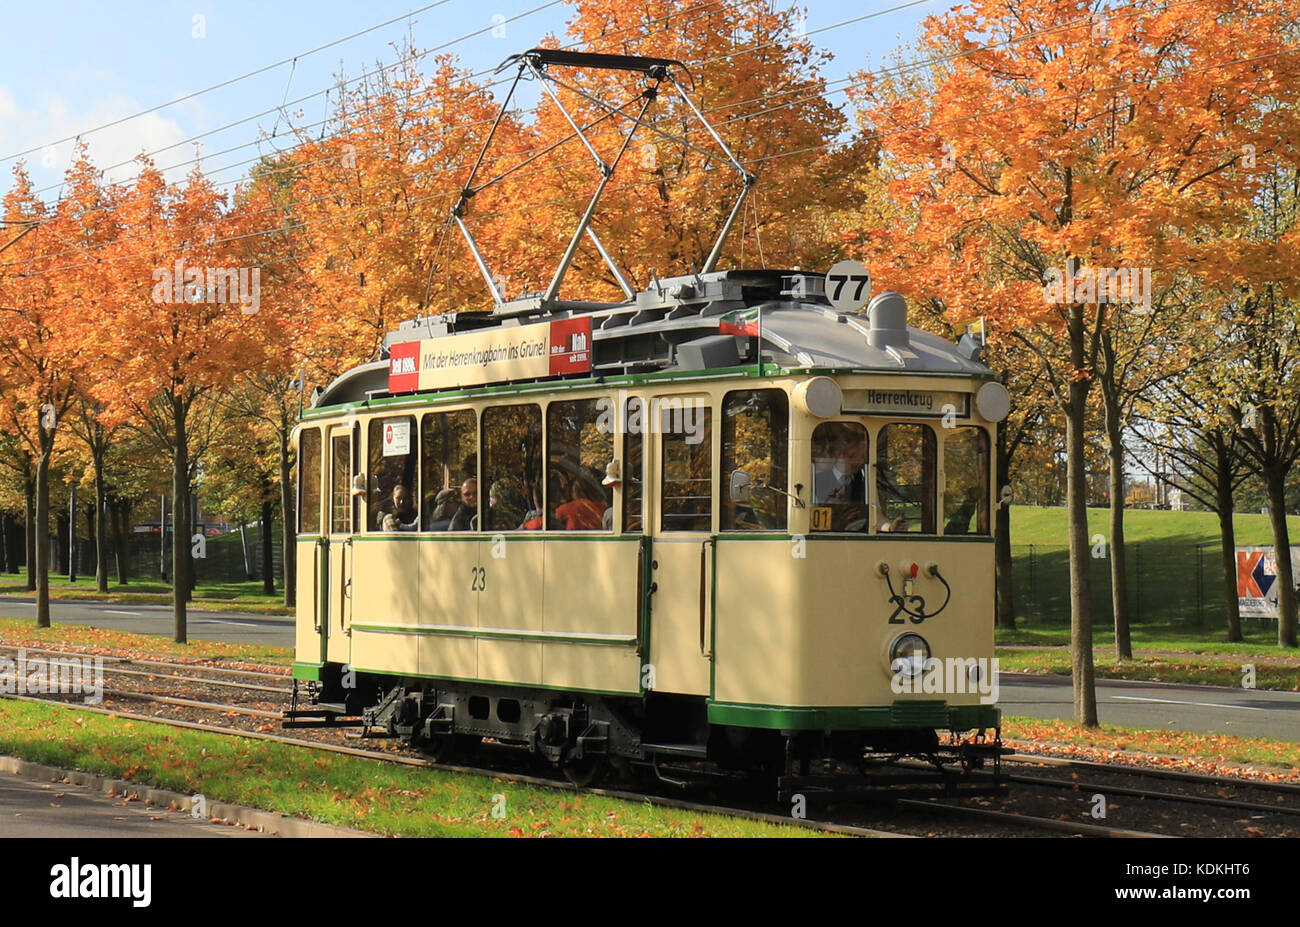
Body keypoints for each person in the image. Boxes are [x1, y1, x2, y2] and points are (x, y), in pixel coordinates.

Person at [813, 429, 866, 505]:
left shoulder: (864, 481)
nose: (859, 460)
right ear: (840, 456)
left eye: (861, 456)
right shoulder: (817, 480)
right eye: (853, 455)